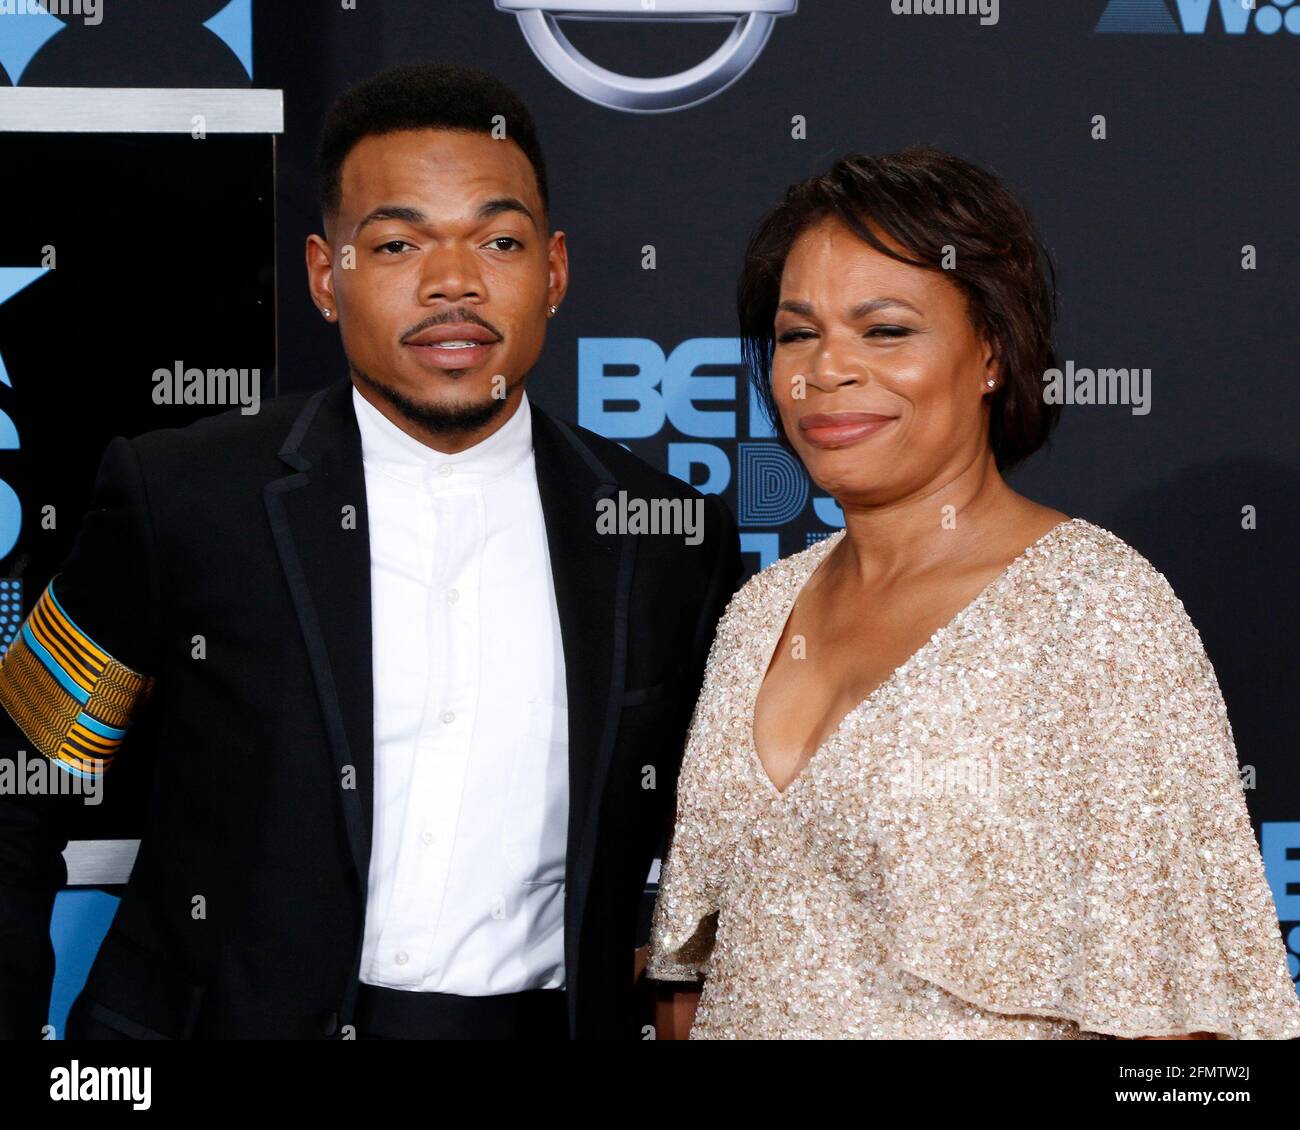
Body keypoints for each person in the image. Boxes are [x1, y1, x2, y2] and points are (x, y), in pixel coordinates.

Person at [0, 62, 740, 1041]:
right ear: (323, 274)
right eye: (396, 242)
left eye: (499, 239)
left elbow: (733, 860)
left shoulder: (665, 537)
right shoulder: (183, 496)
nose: (453, 282)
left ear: (553, 272)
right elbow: (26, 778)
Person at [644, 147, 1300, 1040]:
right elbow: (695, 973)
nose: (826, 369)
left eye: (885, 330)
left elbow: (1190, 1029)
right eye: (799, 333)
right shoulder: (762, 609)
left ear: (992, 350)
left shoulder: (1098, 613)